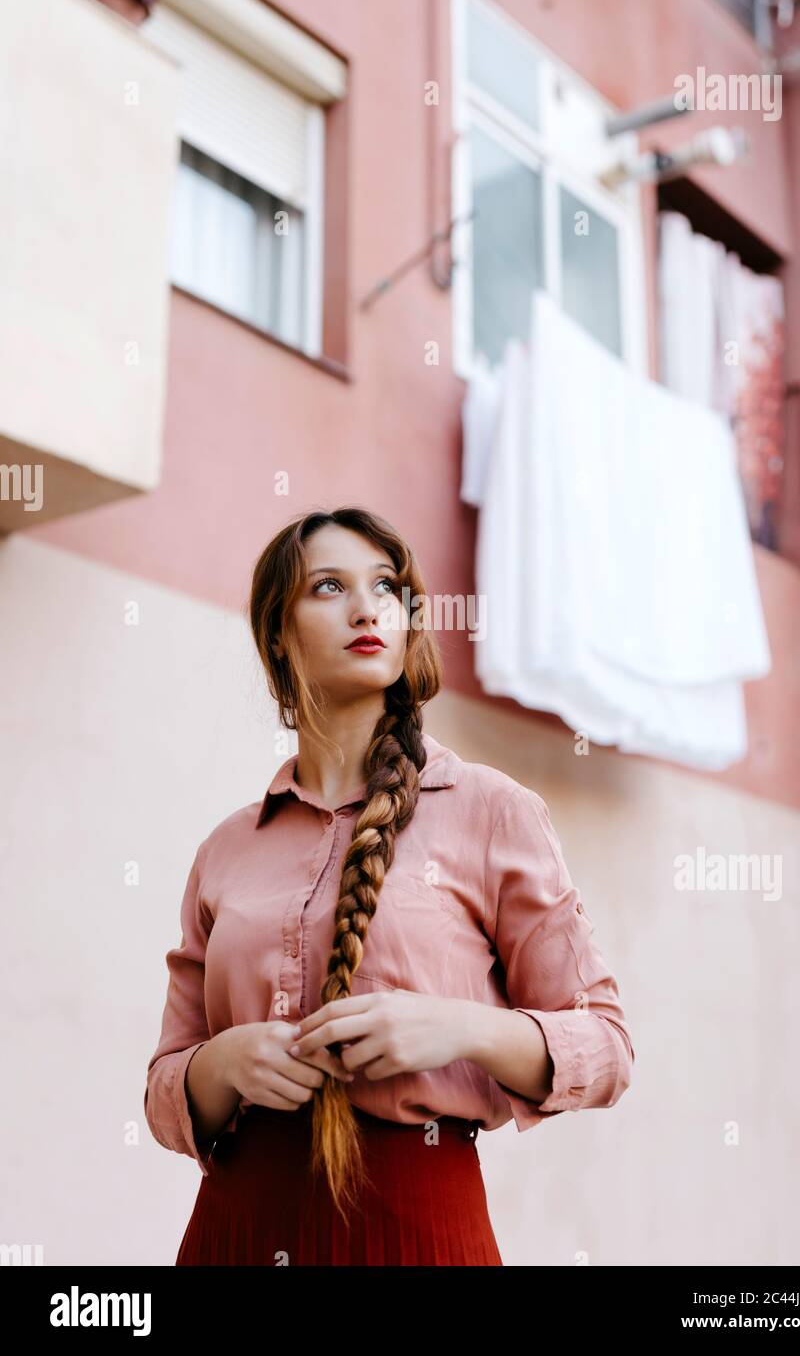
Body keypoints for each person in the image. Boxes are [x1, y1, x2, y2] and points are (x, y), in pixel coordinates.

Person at [143, 506, 634, 1266]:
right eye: (330, 586)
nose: (367, 607)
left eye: (387, 587)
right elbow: (167, 1088)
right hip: (235, 1235)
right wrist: (223, 1063)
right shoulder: (228, 849)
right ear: (278, 632)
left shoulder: (492, 812)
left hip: (418, 1235)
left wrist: (457, 1027)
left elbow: (606, 1046)